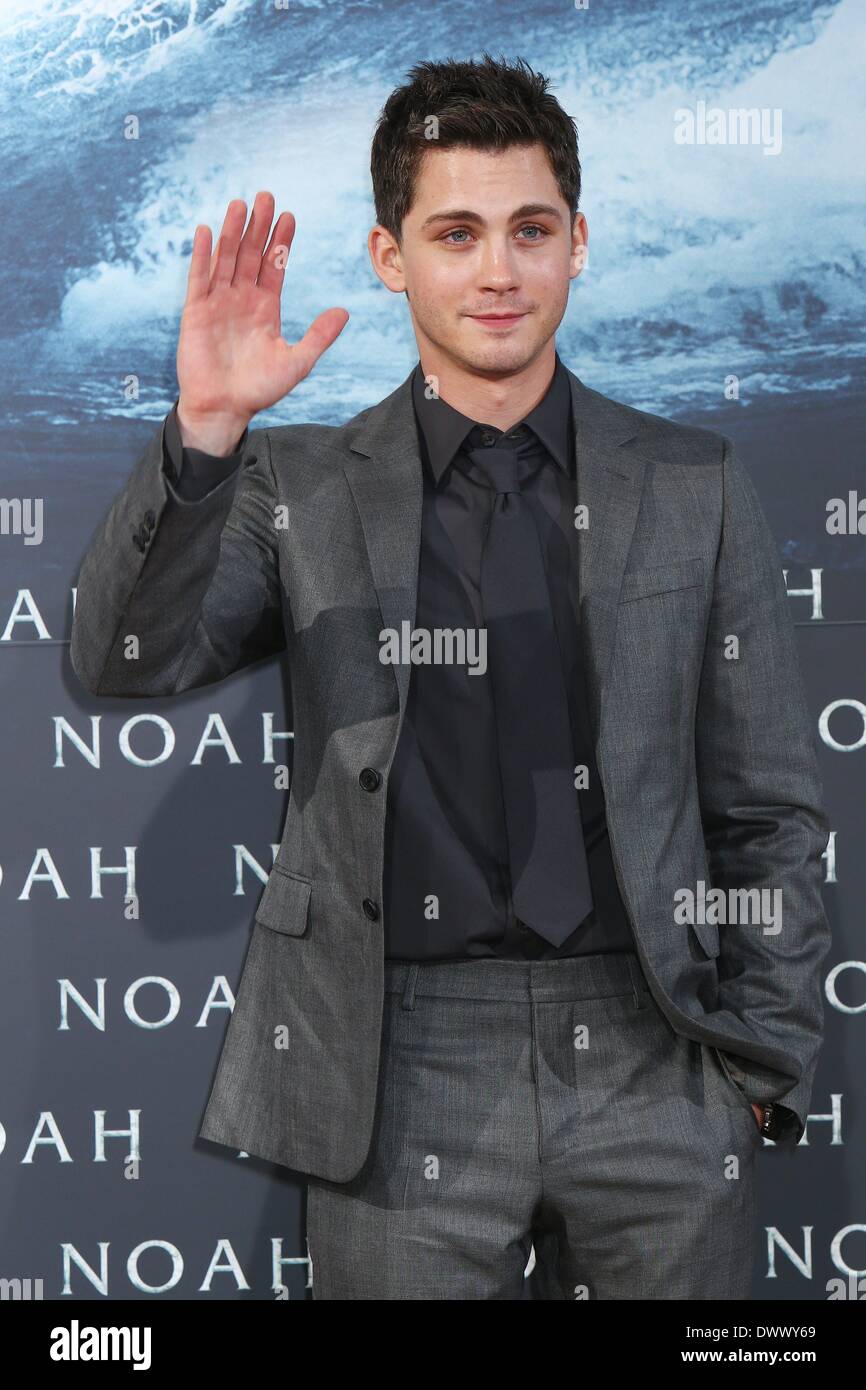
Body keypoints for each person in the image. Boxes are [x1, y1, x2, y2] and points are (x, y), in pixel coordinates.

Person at [70, 54, 831, 1300]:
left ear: (576, 243)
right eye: (456, 232)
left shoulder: (693, 481)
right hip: (397, 1055)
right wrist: (205, 436)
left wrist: (754, 1070)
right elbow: (125, 659)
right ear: (390, 258)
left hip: (652, 1038)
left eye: (529, 229)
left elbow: (765, 811)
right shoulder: (298, 482)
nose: (497, 270)